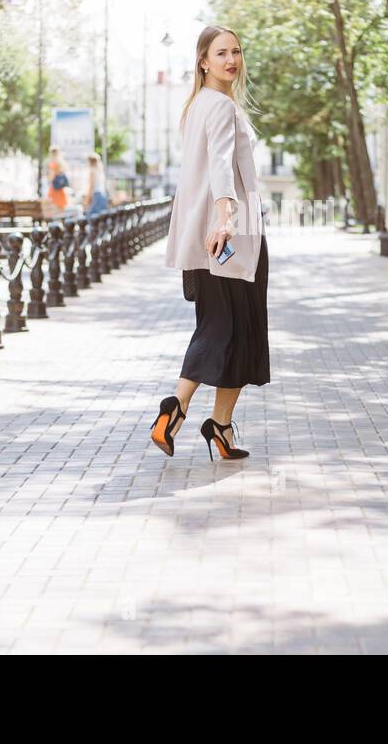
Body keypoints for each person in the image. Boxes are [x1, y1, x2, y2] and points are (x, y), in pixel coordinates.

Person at [154, 25, 269, 462]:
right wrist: (226, 218)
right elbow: (222, 167)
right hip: (230, 236)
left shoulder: (199, 105)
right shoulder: (219, 105)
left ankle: (219, 427)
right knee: (226, 328)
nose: (231, 60)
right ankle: (175, 410)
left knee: (231, 329)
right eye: (221, 53)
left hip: (218, 232)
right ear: (203, 60)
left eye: (236, 51)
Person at [46, 146, 69, 214]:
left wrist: (48, 178)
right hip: (61, 189)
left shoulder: (53, 163)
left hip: (54, 189)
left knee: (52, 210)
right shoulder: (61, 163)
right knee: (61, 210)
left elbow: (51, 177)